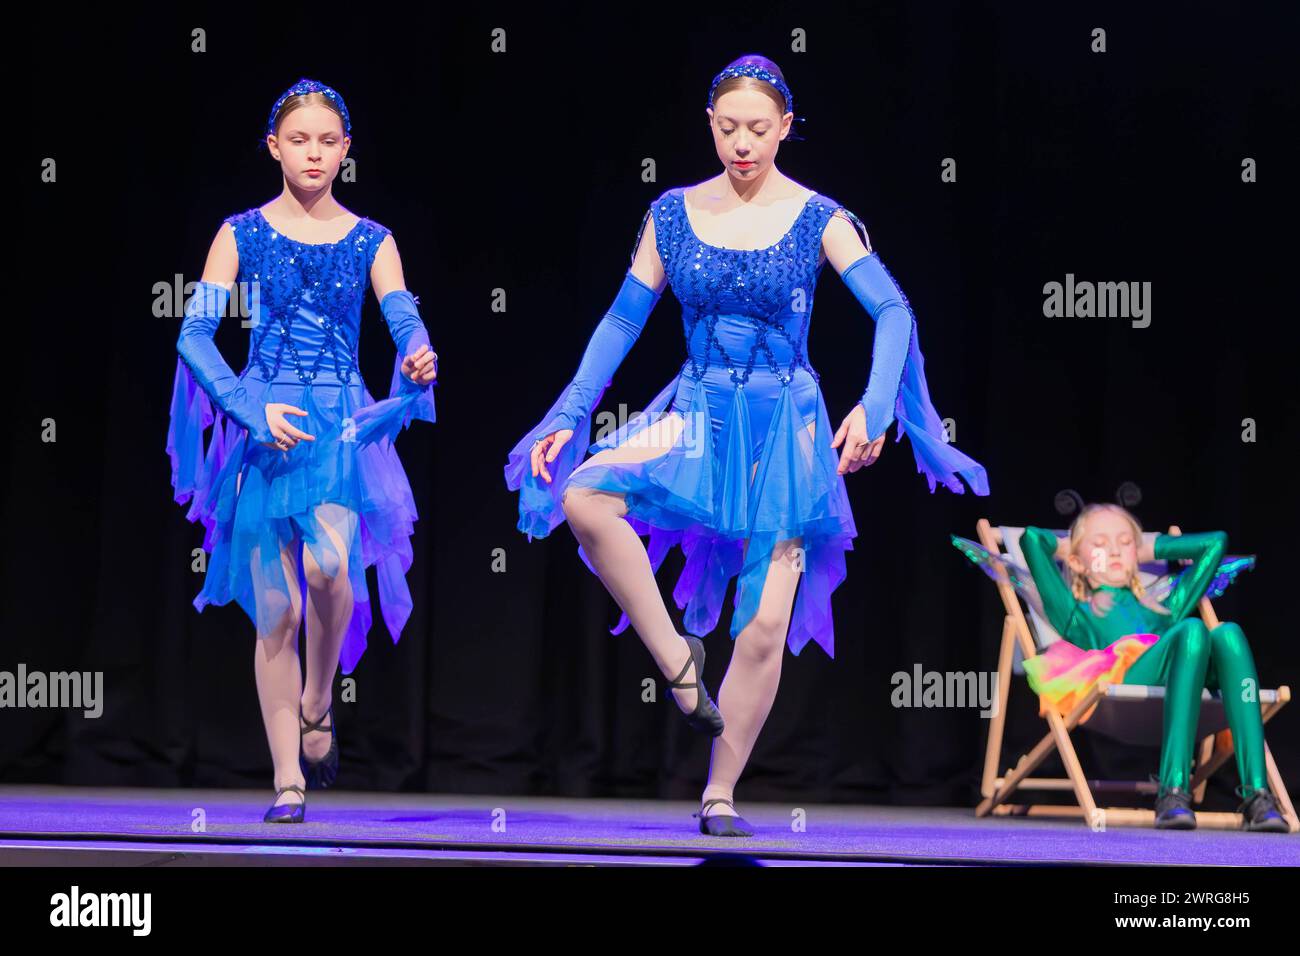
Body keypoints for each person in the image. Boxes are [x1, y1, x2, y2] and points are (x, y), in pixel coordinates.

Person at [505, 56, 988, 836]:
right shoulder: (670, 213)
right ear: (709, 125)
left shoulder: (818, 217)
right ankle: (677, 663)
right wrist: (569, 410)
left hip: (786, 425)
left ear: (786, 127)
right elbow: (623, 320)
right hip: (696, 408)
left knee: (764, 622)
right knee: (584, 494)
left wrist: (871, 407)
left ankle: (720, 791)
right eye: (727, 127)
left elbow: (894, 311)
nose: (742, 143)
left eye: (758, 128)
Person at [166, 78, 437, 823]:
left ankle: (320, 699)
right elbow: (194, 335)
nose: (313, 153)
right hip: (267, 423)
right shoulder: (240, 233)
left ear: (345, 149)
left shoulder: (372, 238)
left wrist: (417, 352)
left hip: (340, 424)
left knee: (327, 568)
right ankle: (287, 778)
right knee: (275, 611)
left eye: (327, 141)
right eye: (299, 140)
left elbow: (402, 315)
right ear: (274, 147)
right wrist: (249, 409)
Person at [1011, 501, 1288, 831]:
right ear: (1075, 560)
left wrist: (1144, 548)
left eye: (1125, 543)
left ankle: (1258, 795)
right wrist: (1077, 548)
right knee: (1192, 629)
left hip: (1183, 673)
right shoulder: (1073, 612)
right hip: (1123, 682)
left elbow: (1215, 542)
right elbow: (1031, 539)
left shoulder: (1166, 607)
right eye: (1099, 544)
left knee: (1228, 633)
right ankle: (1172, 791)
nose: (1114, 551)